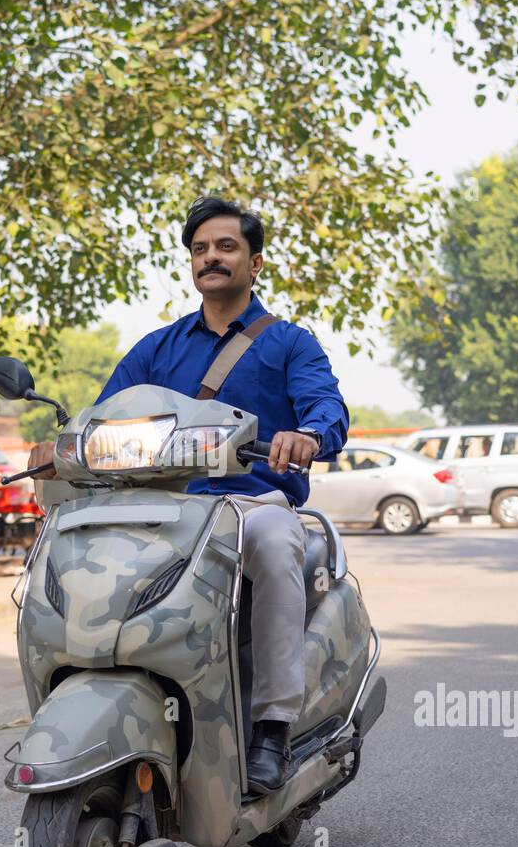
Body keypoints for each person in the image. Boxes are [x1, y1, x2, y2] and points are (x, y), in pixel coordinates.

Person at [34, 196, 348, 793]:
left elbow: (326, 408)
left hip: (248, 506)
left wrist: (306, 435)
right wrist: (57, 446)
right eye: (200, 249)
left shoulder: (287, 344)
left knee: (278, 546)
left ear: (255, 263)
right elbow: (104, 417)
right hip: (160, 507)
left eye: (226, 247)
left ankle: (273, 725)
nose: (212, 257)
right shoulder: (157, 348)